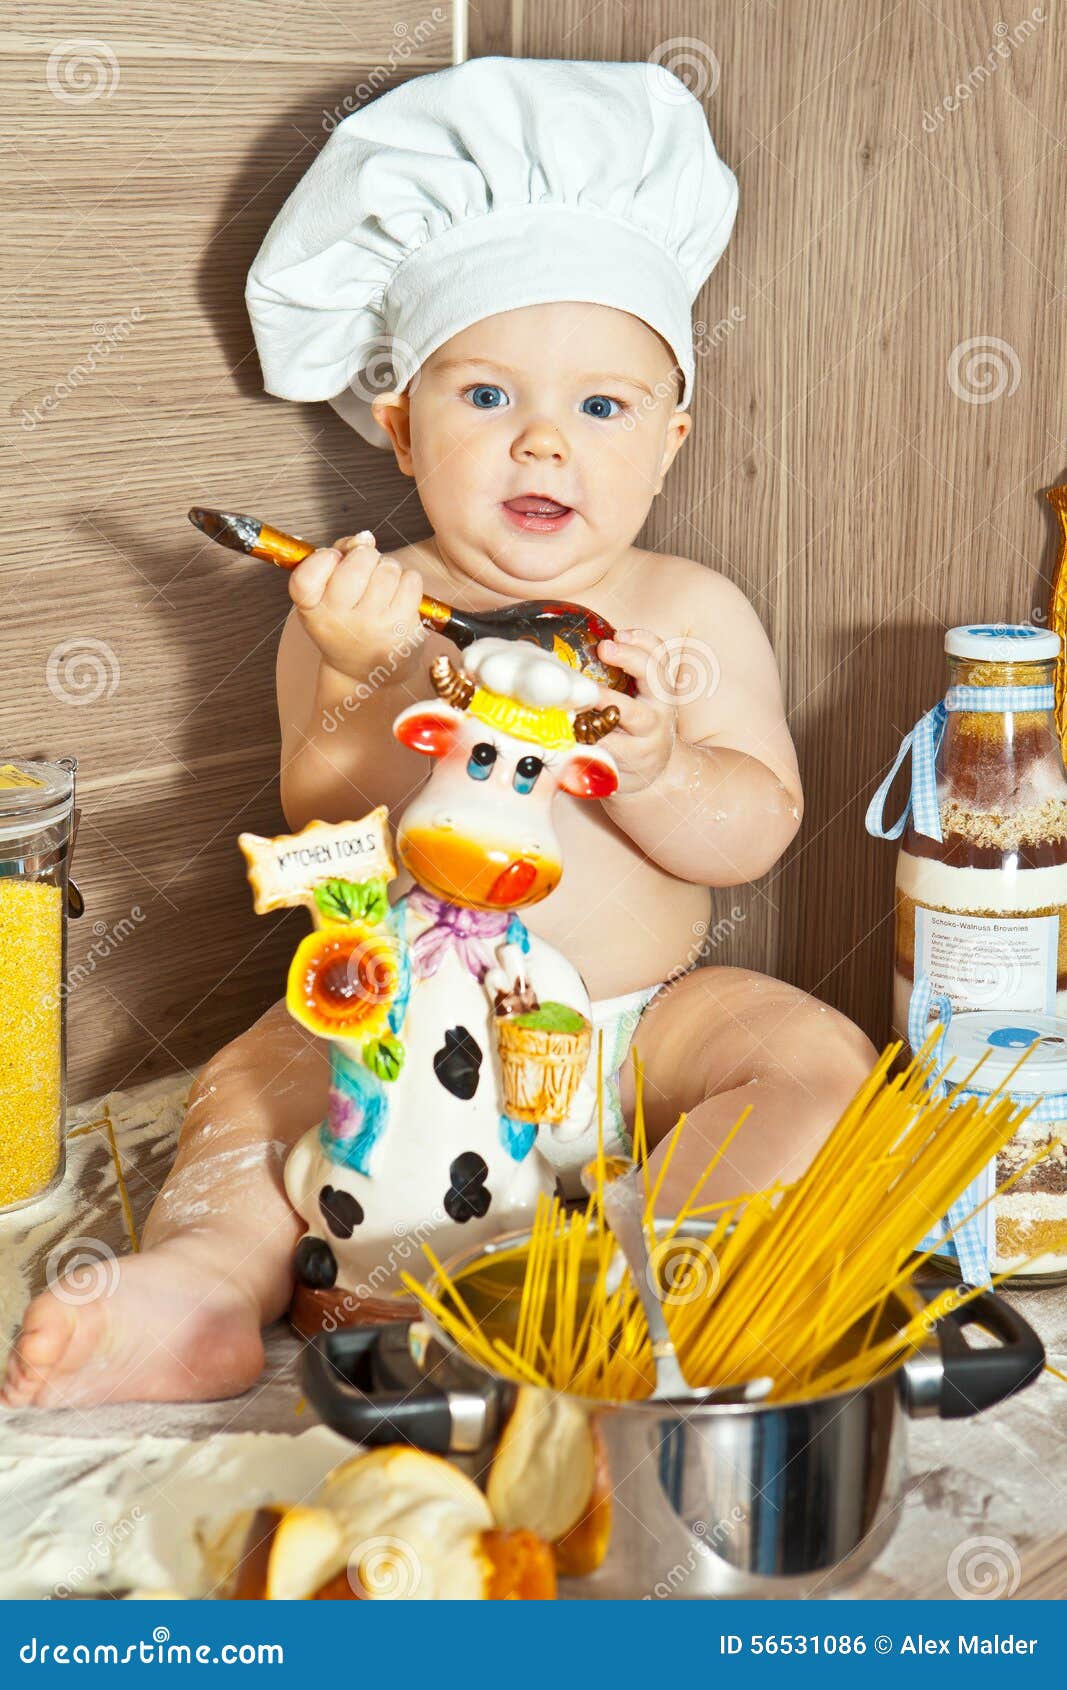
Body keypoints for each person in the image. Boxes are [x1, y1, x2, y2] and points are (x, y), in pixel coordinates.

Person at [2, 58, 875, 1409]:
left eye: (601, 406)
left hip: (637, 1030)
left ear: (671, 440)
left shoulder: (686, 609)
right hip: (403, 1019)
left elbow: (754, 827)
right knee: (244, 1089)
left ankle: (639, 1259)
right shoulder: (363, 605)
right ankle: (190, 1289)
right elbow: (326, 825)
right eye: (486, 399)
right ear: (402, 428)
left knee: (815, 1055)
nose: (542, 443)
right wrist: (365, 675)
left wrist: (661, 766)